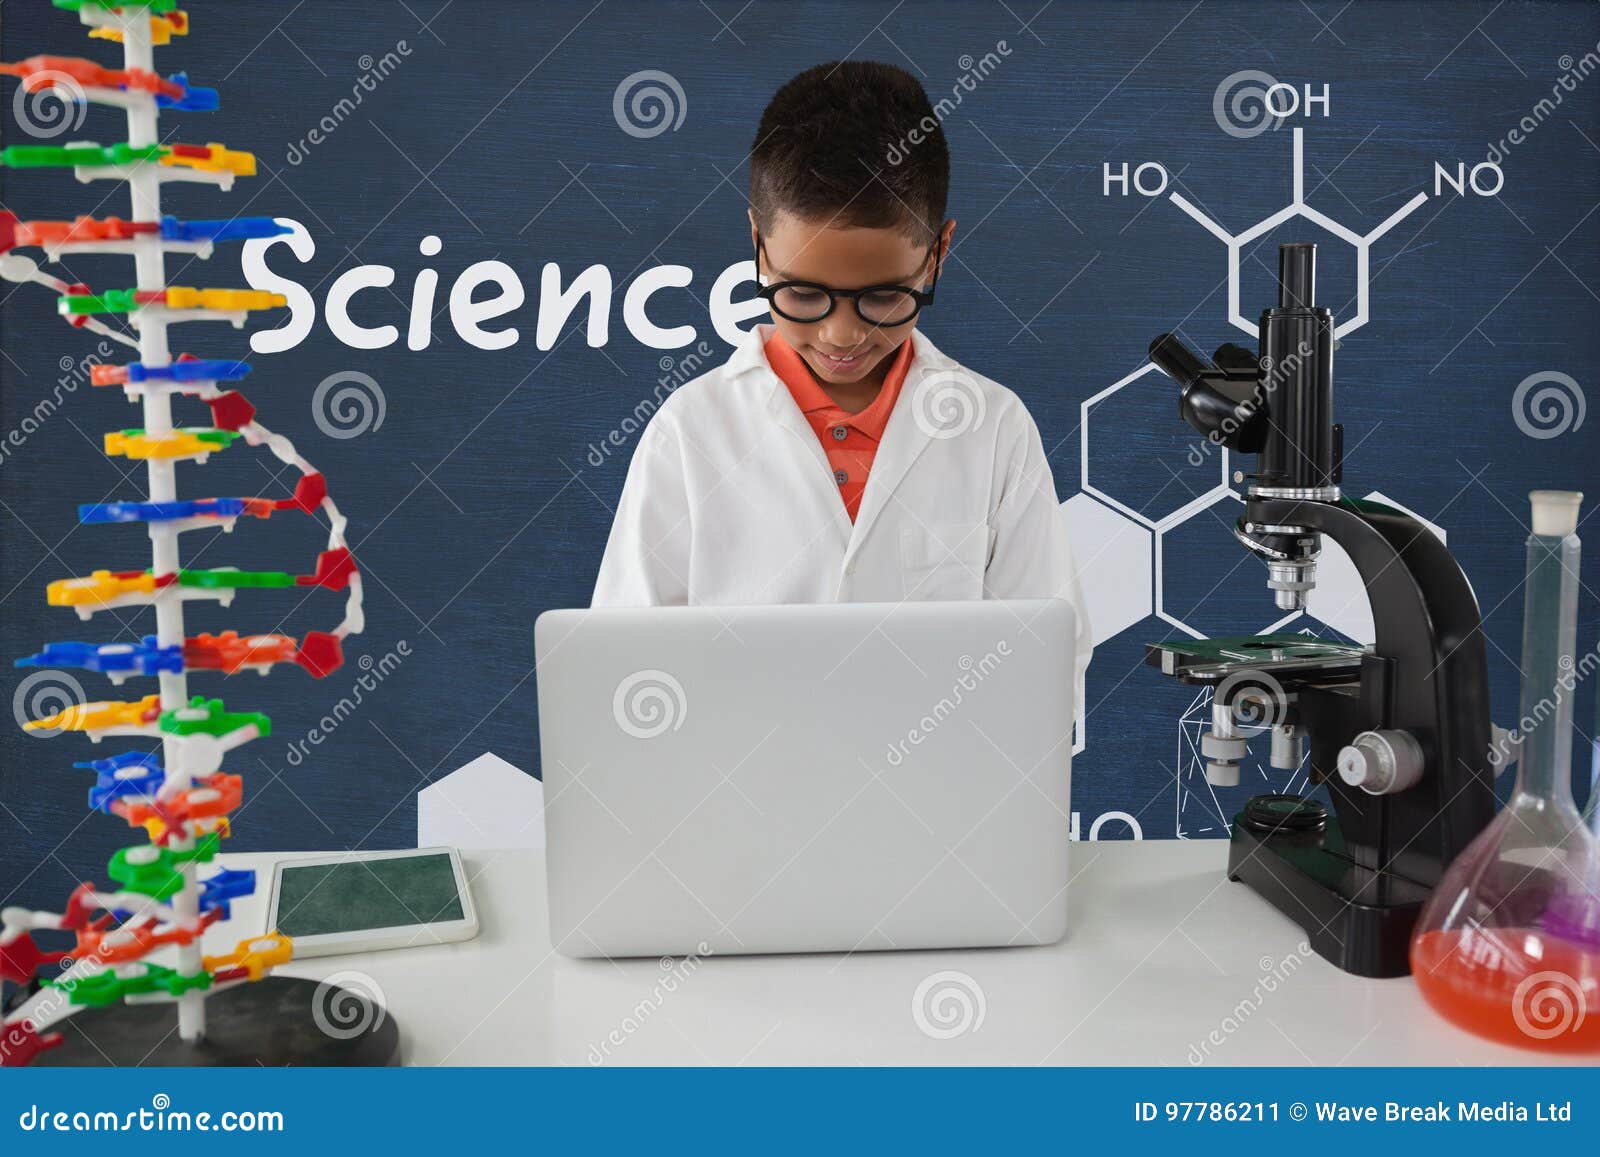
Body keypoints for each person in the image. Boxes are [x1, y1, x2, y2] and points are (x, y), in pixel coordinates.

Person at [594, 60, 1091, 696]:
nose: (843, 335)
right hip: (735, 792)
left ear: (937, 254)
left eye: (884, 297)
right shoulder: (691, 432)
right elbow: (623, 665)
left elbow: (1048, 654)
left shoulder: (990, 427)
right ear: (758, 246)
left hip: (938, 789)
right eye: (802, 294)